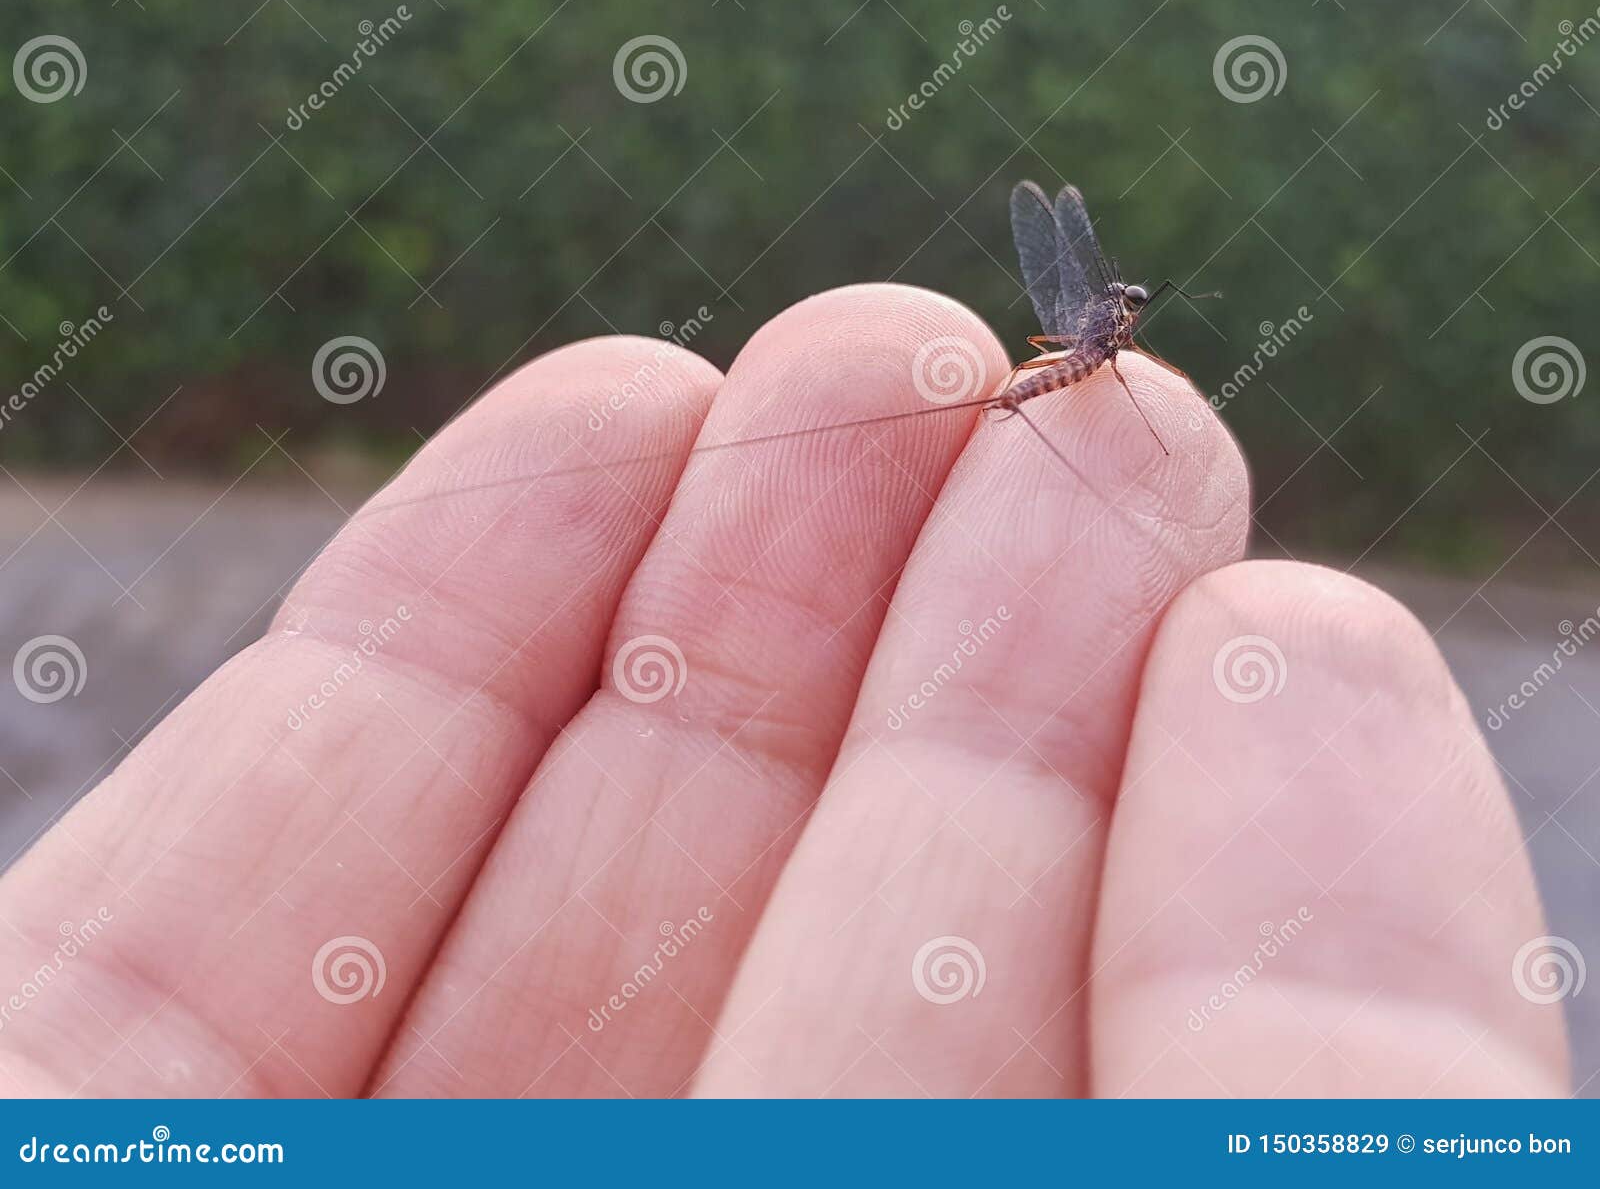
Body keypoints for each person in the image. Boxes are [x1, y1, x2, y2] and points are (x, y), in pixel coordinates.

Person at [0, 285, 1568, 1098]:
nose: (1119, 323)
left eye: (1118, 320)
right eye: (1114, 321)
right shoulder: (1082, 360)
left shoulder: (1106, 367)